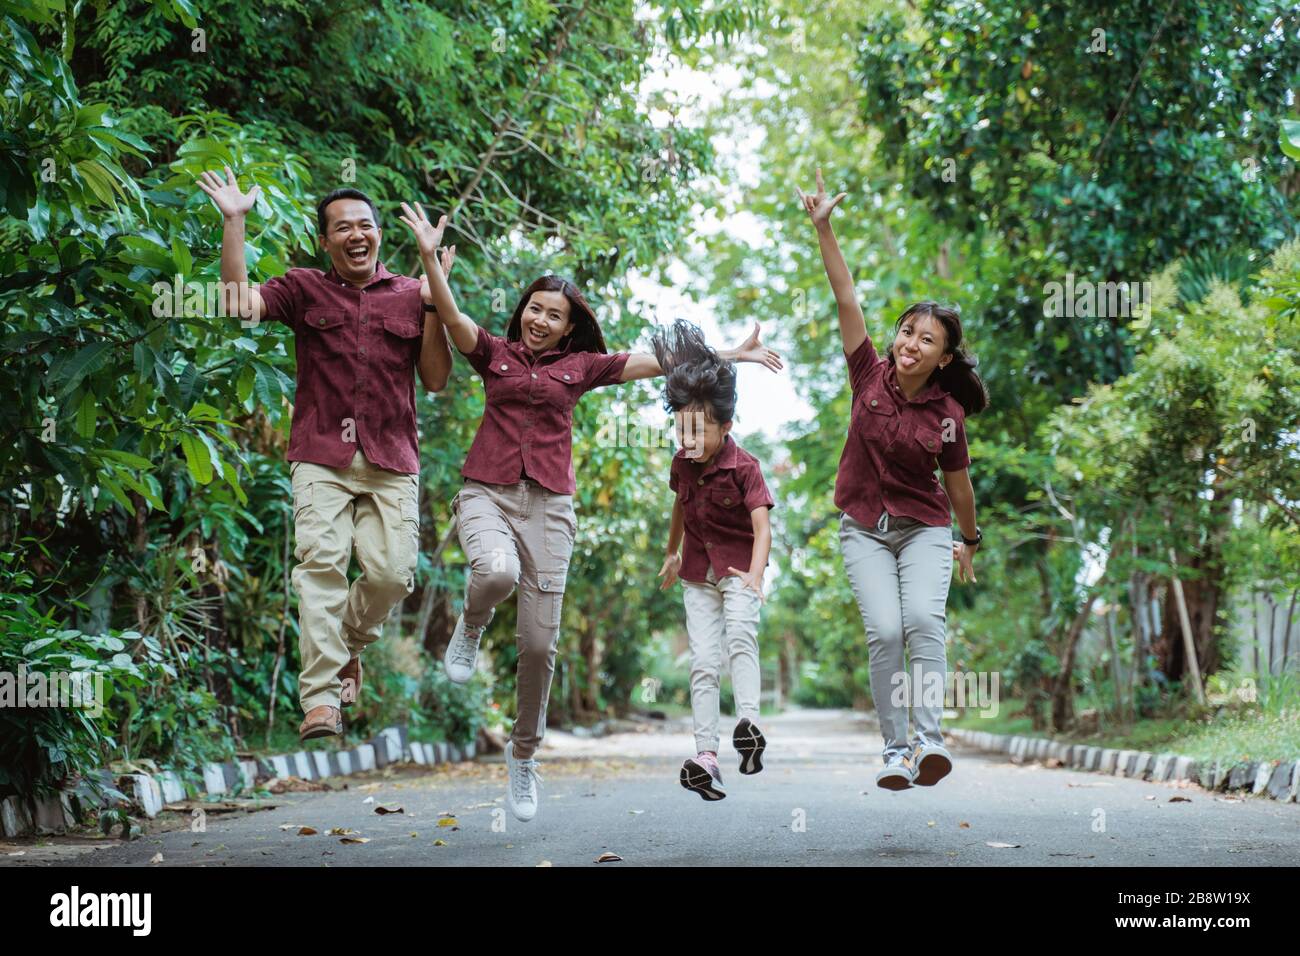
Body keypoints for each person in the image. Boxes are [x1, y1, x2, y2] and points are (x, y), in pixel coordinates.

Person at [398, 201, 782, 821]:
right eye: (535, 308)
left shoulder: (581, 368)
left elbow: (660, 360)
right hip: (487, 493)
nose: (541, 320)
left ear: (570, 326)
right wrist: (426, 260)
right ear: (523, 310)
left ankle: (524, 758)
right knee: (494, 573)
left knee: (540, 644)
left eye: (556, 314)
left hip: (550, 508)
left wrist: (728, 356)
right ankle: (470, 625)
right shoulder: (492, 352)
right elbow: (451, 317)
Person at [197, 169, 454, 742]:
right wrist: (234, 220)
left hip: (392, 458)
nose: (355, 234)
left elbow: (435, 378)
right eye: (343, 228)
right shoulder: (304, 288)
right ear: (326, 241)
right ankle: (319, 703)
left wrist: (436, 296)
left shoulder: (414, 294)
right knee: (321, 569)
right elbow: (239, 304)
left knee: (391, 575)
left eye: (365, 225)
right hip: (320, 456)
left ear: (381, 235)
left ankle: (348, 648)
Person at [798, 168, 987, 790]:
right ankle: (895, 750)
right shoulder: (866, 373)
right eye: (907, 330)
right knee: (884, 630)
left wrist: (970, 538)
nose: (910, 342)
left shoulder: (948, 416)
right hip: (863, 528)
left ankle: (931, 742)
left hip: (926, 529)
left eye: (926, 339)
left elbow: (957, 485)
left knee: (923, 623)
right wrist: (824, 227)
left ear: (944, 357)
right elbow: (846, 296)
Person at [651, 321, 775, 801]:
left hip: (741, 569)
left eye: (698, 430)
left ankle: (749, 724)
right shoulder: (681, 462)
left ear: (726, 426)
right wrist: (671, 551)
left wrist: (757, 576)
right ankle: (706, 755)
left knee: (741, 636)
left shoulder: (746, 467)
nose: (688, 439)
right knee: (703, 661)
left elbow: (762, 526)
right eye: (681, 428)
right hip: (697, 574)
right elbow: (680, 505)